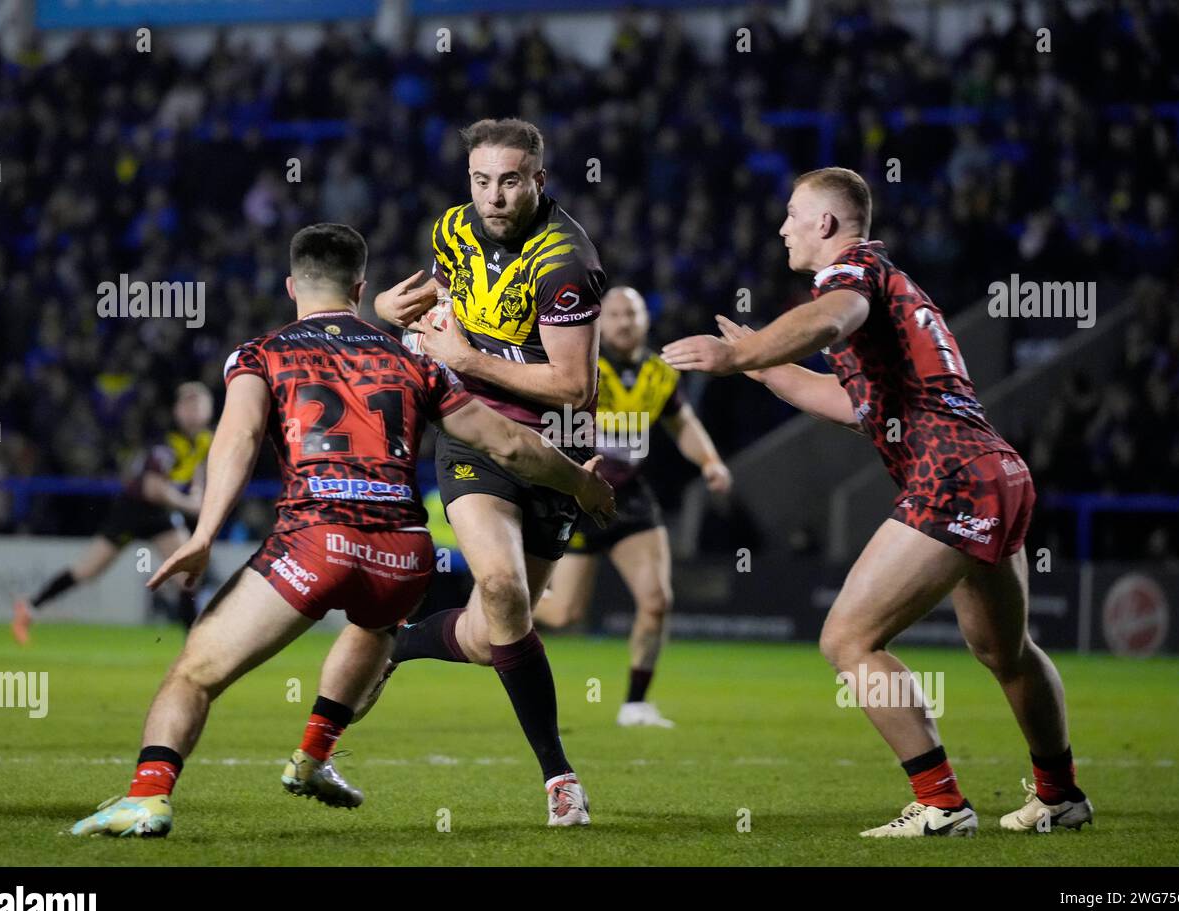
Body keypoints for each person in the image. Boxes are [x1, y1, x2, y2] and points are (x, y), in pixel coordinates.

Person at [69, 222, 613, 838]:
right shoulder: (413, 358)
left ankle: (148, 796)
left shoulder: (261, 353)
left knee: (194, 673)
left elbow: (240, 437)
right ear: (360, 288)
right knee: (376, 625)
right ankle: (313, 758)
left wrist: (203, 534)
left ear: (290, 285)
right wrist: (583, 485)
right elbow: (510, 444)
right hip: (404, 555)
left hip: (316, 538)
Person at [663, 167, 1093, 837]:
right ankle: (1061, 795)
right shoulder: (899, 288)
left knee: (848, 639)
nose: (782, 228)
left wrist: (739, 352)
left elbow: (834, 317)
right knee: (1007, 654)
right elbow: (846, 402)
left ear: (827, 224)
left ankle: (942, 804)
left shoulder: (851, 274)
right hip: (995, 470)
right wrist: (757, 362)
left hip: (951, 476)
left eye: (792, 215)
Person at [366, 118, 606, 825]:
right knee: (500, 588)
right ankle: (559, 776)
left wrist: (466, 358)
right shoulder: (453, 229)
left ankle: (400, 642)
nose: (492, 196)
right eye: (480, 180)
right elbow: (435, 306)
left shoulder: (565, 260)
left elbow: (573, 388)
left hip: (551, 451)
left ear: (539, 179)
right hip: (471, 438)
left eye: (508, 181)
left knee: (495, 626)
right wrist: (386, 311)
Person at [532, 286, 732, 728]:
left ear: (645, 320)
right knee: (566, 614)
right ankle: (505, 604)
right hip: (580, 496)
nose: (625, 322)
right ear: (601, 320)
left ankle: (635, 704)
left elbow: (682, 423)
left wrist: (711, 462)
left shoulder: (659, 373)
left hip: (632, 500)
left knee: (657, 601)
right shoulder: (579, 363)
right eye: (617, 314)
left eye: (633, 314)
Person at [12, 382, 212, 643]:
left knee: (188, 575)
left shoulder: (207, 439)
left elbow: (198, 469)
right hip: (134, 510)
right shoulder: (166, 441)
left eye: (197, 405)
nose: (192, 411)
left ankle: (193, 643)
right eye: (186, 404)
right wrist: (190, 503)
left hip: (161, 514)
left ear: (209, 410)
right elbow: (153, 489)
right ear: (176, 410)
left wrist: (197, 490)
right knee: (87, 571)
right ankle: (29, 608)